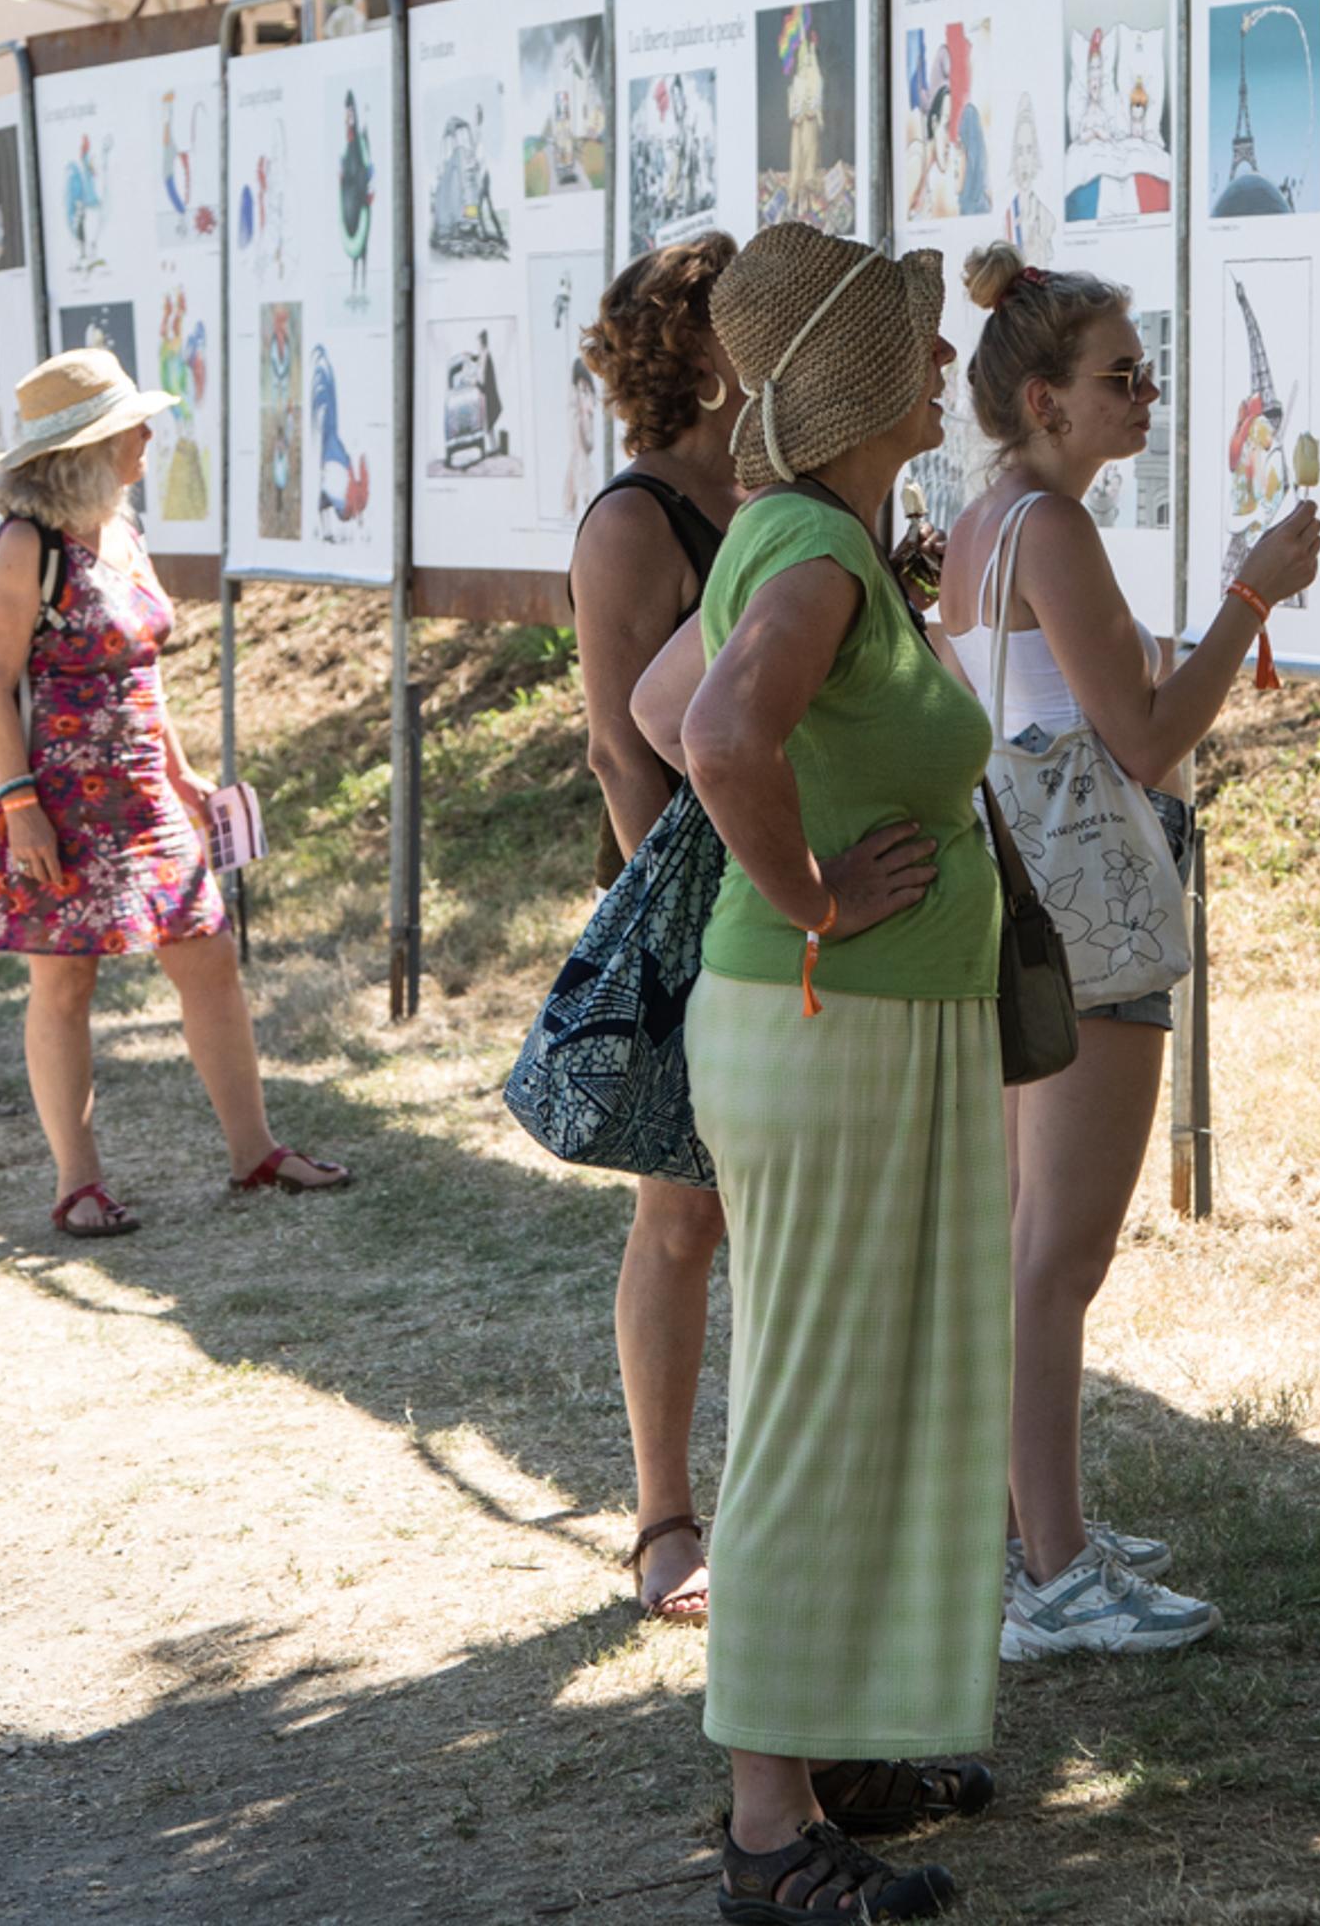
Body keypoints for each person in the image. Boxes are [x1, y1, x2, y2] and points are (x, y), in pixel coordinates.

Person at [630, 221, 1004, 1921]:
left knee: (871, 1387)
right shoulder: (817, 552)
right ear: (855, 374)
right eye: (918, 341)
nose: (944, 362)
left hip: (854, 1027)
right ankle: (770, 1829)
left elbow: (664, 701)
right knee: (815, 1399)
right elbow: (712, 731)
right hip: (831, 1020)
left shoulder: (816, 537)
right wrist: (813, 893)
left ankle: (839, 1746)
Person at [939, 245, 1320, 1663]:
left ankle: (1027, 1538)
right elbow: (1149, 740)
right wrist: (1251, 601)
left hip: (1023, 899)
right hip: (1087, 914)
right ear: (1045, 400)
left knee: (1027, 1243)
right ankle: (1052, 1571)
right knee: (1062, 1255)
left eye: (1145, 372)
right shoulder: (1048, 525)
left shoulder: (991, 518)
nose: (1146, 395)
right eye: (1122, 376)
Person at [0, 348, 348, 1238]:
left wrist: (180, 772)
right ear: (86, 447)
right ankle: (78, 1182)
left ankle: (255, 1152)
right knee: (66, 981)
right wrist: (19, 805)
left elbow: (143, 670)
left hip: (144, 790)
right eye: (132, 425)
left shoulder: (122, 530)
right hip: (57, 797)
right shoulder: (27, 545)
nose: (148, 434)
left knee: (209, 955)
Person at [568, 232, 746, 1625]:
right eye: (746, 316)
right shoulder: (634, 521)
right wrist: (677, 940)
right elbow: (620, 754)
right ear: (695, 348)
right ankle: (664, 1522)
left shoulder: (777, 487)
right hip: (696, 893)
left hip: (804, 879)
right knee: (683, 1211)